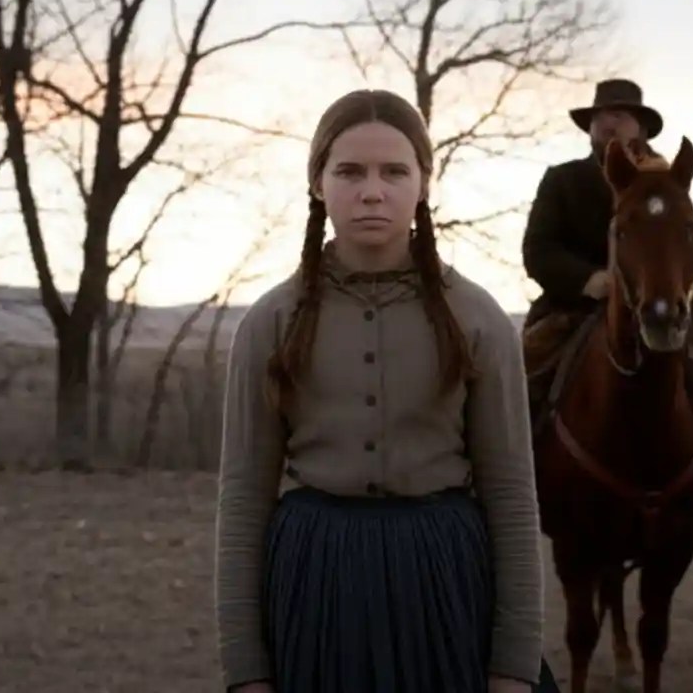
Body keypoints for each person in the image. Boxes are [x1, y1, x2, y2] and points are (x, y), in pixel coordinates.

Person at [214, 89, 555, 693]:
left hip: (445, 586)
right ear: (318, 182)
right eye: (349, 171)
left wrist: (513, 665)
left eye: (394, 171)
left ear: (424, 182)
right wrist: (246, 670)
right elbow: (243, 501)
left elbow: (510, 495)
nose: (372, 190)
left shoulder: (477, 319)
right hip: (316, 590)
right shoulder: (270, 322)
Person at [520, 78, 693, 555]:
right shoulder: (562, 179)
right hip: (574, 307)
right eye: (600, 116)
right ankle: (501, 489)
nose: (608, 121)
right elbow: (538, 251)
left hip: (660, 305)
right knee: (521, 375)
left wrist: (673, 285)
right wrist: (592, 280)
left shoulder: (668, 181)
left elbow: (691, 243)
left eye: (620, 114)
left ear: (642, 125)